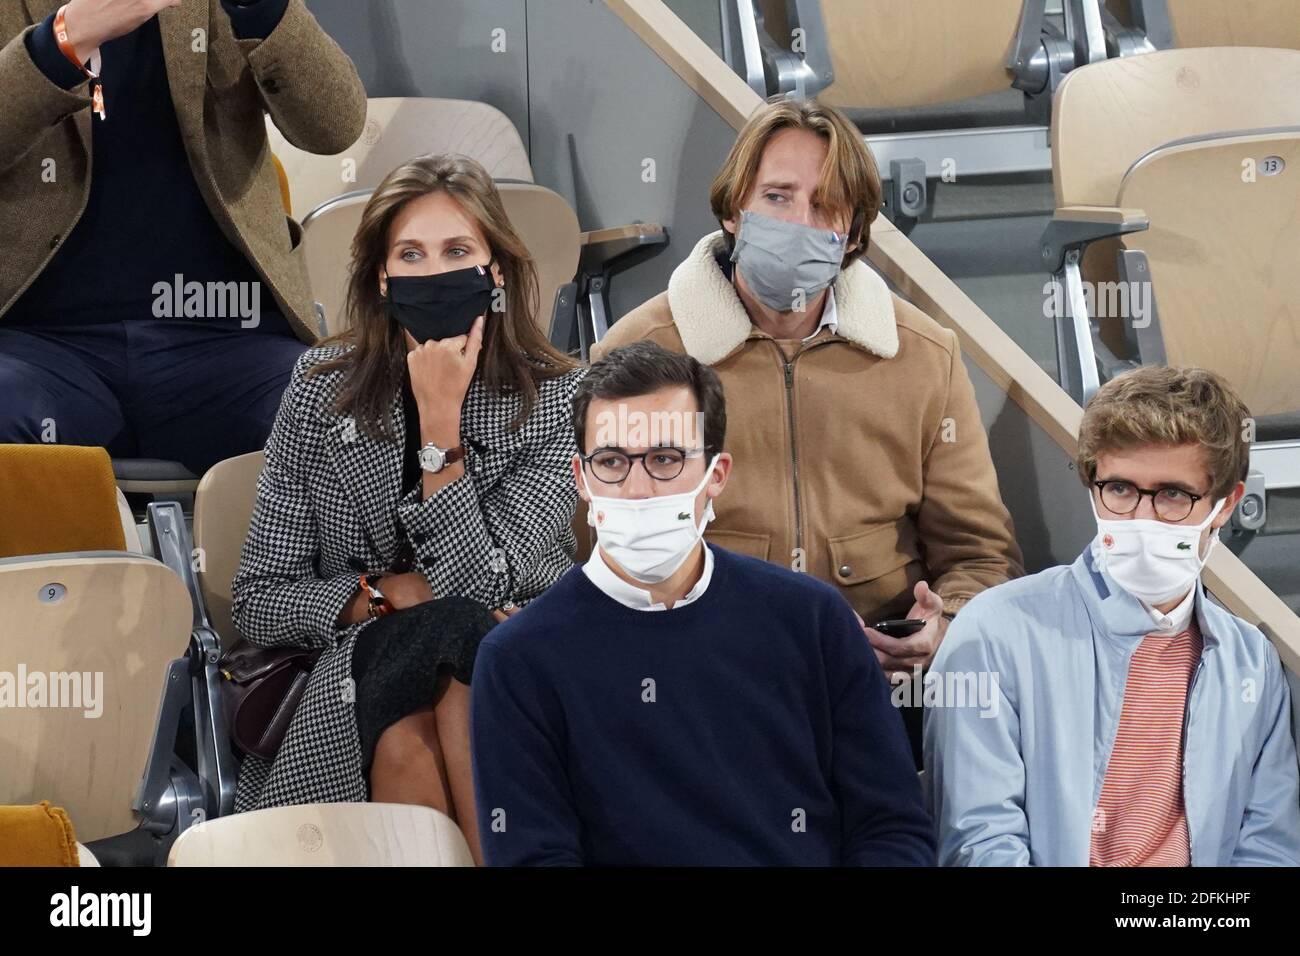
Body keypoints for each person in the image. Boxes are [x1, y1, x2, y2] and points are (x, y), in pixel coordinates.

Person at [591, 96, 1023, 756]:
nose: (800, 221)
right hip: (706, 671)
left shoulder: (924, 354)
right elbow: (608, 553)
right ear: (734, 209)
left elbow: (980, 556)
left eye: (825, 206)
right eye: (778, 197)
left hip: (881, 685)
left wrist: (942, 629)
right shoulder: (639, 354)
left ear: (853, 234)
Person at [231, 154, 584, 864]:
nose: (434, 273)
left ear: (496, 274)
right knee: (446, 641)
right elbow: (257, 600)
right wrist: (376, 596)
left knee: (411, 739)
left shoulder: (553, 399)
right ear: (384, 280)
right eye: (411, 255)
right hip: (345, 684)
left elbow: (476, 595)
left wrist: (440, 428)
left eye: (457, 252)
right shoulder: (319, 389)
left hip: (515, 667)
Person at [470, 340, 935, 866]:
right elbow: (534, 856)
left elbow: (892, 828)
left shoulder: (813, 620)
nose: (638, 488)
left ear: (717, 475)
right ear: (581, 478)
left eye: (666, 459)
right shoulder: (519, 659)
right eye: (612, 462)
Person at [925, 365, 1300, 866]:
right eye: (1120, 490)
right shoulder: (993, 636)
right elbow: (979, 845)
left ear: (1225, 503)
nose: (1141, 519)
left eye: (1172, 495)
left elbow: (1270, 847)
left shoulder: (1250, 663)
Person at [0, 0, 367, 475]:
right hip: (36, 344)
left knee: (334, 410)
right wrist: (61, 44)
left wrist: (262, 10)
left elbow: (335, 127)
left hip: (226, 339)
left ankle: (270, 554)